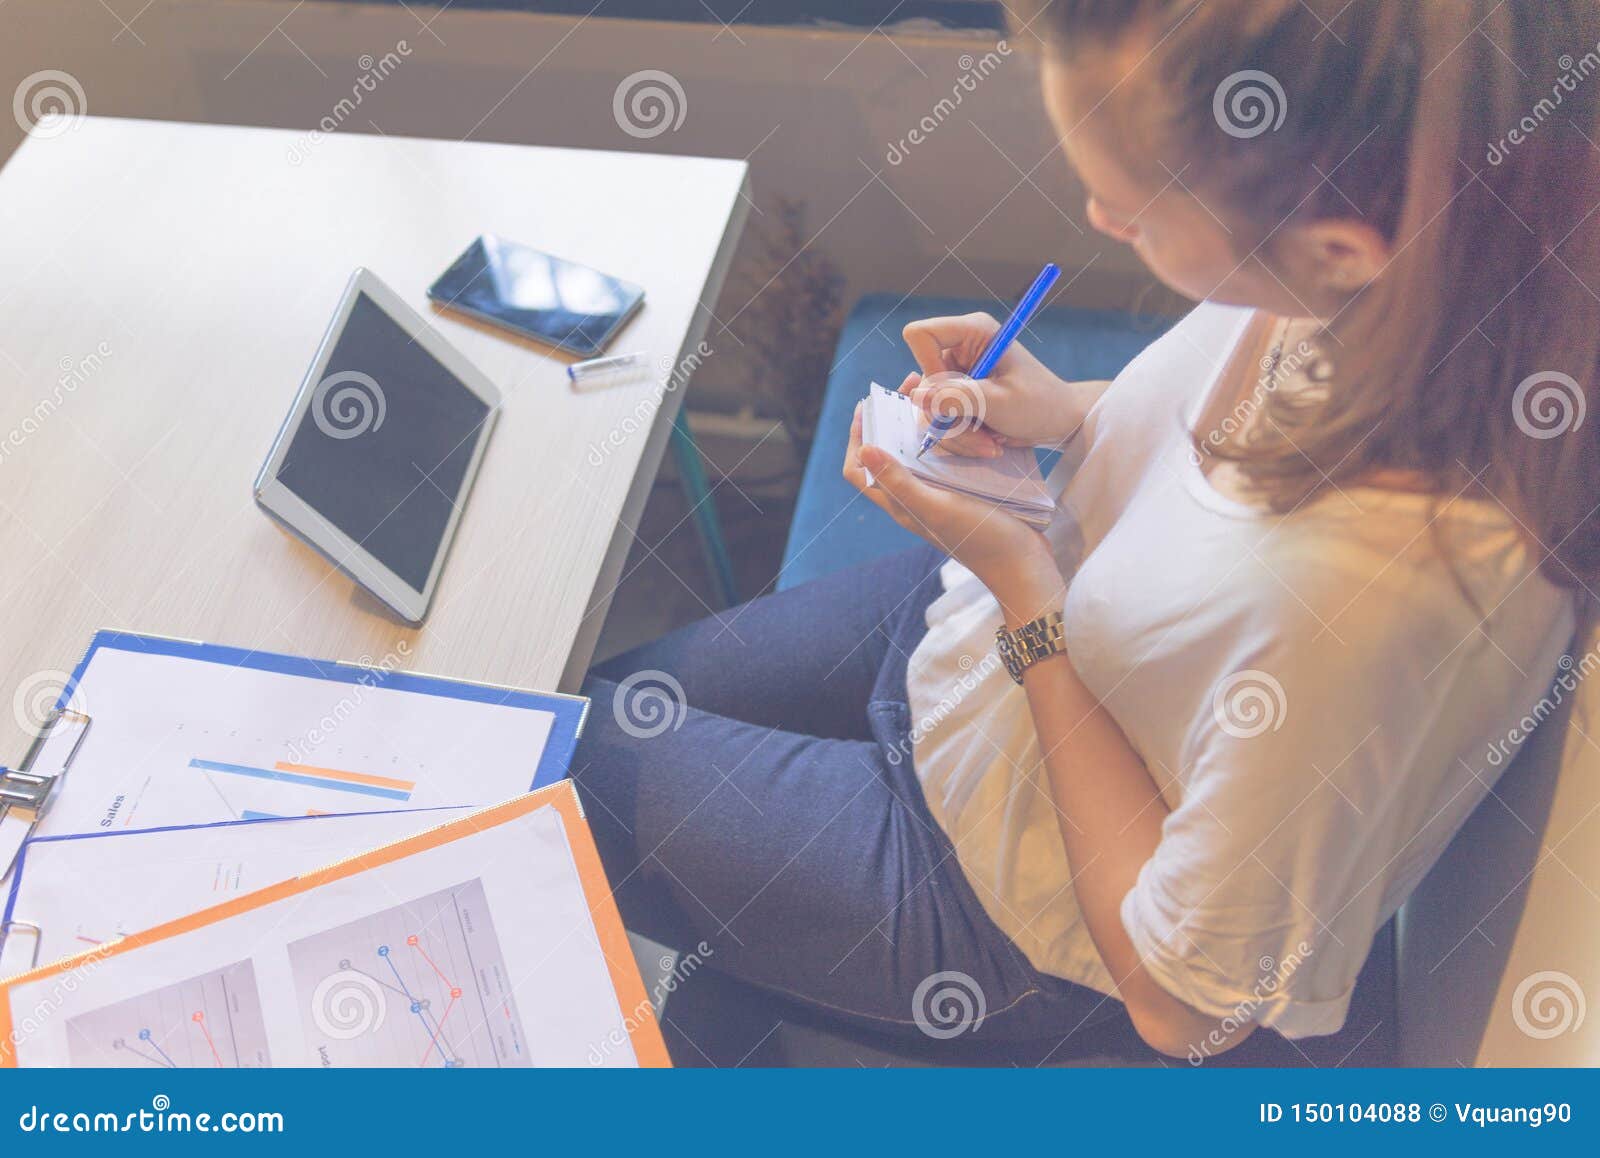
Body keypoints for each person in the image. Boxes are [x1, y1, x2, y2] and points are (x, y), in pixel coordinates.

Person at [574, 0, 1599, 1059]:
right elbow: (1225, 469)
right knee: (585, 704)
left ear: (1338, 248)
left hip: (1002, 898)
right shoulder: (1422, 262)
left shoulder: (1368, 609)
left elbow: (1184, 1008)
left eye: (1135, 206)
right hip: (976, 641)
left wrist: (1027, 592)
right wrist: (1064, 413)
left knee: (550, 775)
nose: (1102, 217)